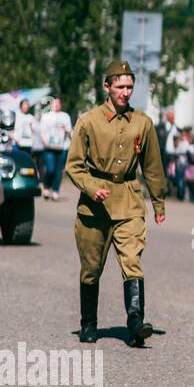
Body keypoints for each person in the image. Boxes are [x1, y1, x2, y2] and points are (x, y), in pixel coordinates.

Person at [63, 61, 167, 347]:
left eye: (130, 86)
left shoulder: (142, 122)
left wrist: (158, 203)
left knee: (132, 260)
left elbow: (153, 166)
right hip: (94, 206)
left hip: (129, 200)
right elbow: (73, 166)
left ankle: (135, 322)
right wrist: (91, 187)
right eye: (120, 86)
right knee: (91, 268)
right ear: (106, 87)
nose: (125, 92)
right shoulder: (88, 121)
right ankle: (88, 322)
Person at [40, 98, 73, 201]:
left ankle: (55, 191)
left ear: (61, 105)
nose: (57, 105)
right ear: (51, 105)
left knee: (58, 170)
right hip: (49, 147)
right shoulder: (46, 116)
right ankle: (46, 187)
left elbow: (70, 131)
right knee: (50, 169)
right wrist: (45, 143)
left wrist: (65, 129)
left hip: (62, 147)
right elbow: (42, 131)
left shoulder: (65, 116)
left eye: (58, 103)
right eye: (55, 103)